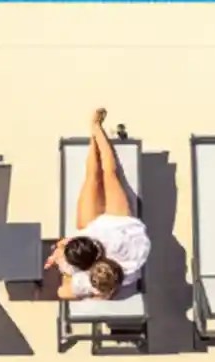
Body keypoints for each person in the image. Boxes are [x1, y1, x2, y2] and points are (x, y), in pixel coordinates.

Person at [45, 108, 151, 300]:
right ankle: (96, 129)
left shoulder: (91, 277)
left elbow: (62, 291)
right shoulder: (128, 259)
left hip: (95, 232)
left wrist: (67, 271)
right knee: (109, 175)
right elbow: (64, 290)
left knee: (93, 179)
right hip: (120, 226)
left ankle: (95, 135)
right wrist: (69, 274)